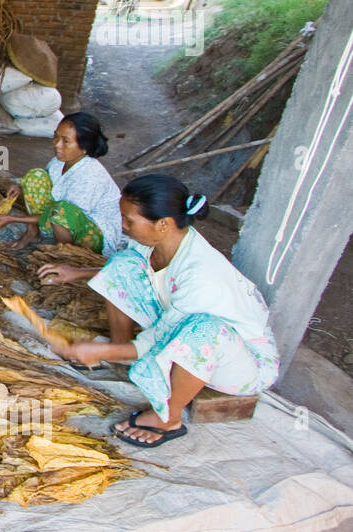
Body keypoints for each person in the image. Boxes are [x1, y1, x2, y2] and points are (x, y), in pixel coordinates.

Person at [38, 175, 279, 448]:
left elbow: (162, 337)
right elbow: (132, 274)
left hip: (243, 364)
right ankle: (123, 351)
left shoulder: (202, 276)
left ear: (162, 224)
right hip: (189, 330)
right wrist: (76, 273)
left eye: (129, 220)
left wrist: (98, 351)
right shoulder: (157, 242)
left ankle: (169, 417)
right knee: (123, 263)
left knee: (204, 329)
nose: (123, 225)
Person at [0, 112, 124, 256]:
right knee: (35, 176)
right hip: (64, 217)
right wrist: (20, 187)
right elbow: (45, 185)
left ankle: (67, 255)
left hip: (96, 235)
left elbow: (62, 214)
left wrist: (13, 219)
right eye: (56, 136)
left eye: (66, 141)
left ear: (85, 147)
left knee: (61, 211)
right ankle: (32, 233)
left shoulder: (90, 176)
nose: (57, 144)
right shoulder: (59, 161)